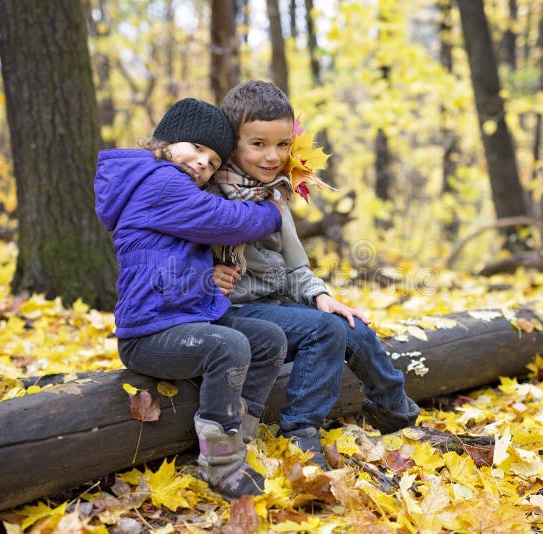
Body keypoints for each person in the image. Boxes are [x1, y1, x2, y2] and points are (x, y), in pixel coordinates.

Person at [209, 81, 419, 469]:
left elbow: (293, 266)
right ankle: (301, 433)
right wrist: (205, 275)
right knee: (325, 331)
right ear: (231, 142)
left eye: (283, 144)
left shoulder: (273, 192)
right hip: (234, 313)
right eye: (258, 144)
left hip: (274, 307)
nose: (273, 156)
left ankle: (397, 414)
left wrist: (320, 297)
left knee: (352, 325)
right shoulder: (209, 194)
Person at [94, 97, 288, 499]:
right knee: (230, 345)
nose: (204, 163)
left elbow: (168, 259)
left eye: (215, 162)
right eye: (197, 148)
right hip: (149, 333)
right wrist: (274, 213)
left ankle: (237, 437)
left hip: (182, 319)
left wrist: (206, 276)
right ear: (166, 139)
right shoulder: (160, 180)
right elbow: (225, 221)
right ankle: (220, 464)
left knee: (270, 340)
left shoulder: (166, 183)